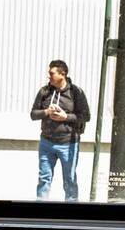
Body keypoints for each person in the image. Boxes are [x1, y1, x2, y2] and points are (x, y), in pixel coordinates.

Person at [30, 59, 91, 201]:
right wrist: (46, 112)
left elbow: (86, 116)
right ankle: (40, 211)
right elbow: (33, 114)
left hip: (68, 143)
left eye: (52, 73)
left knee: (69, 180)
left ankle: (71, 213)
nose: (49, 76)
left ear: (63, 74)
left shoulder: (76, 92)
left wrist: (65, 117)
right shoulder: (45, 91)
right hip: (46, 142)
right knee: (44, 179)